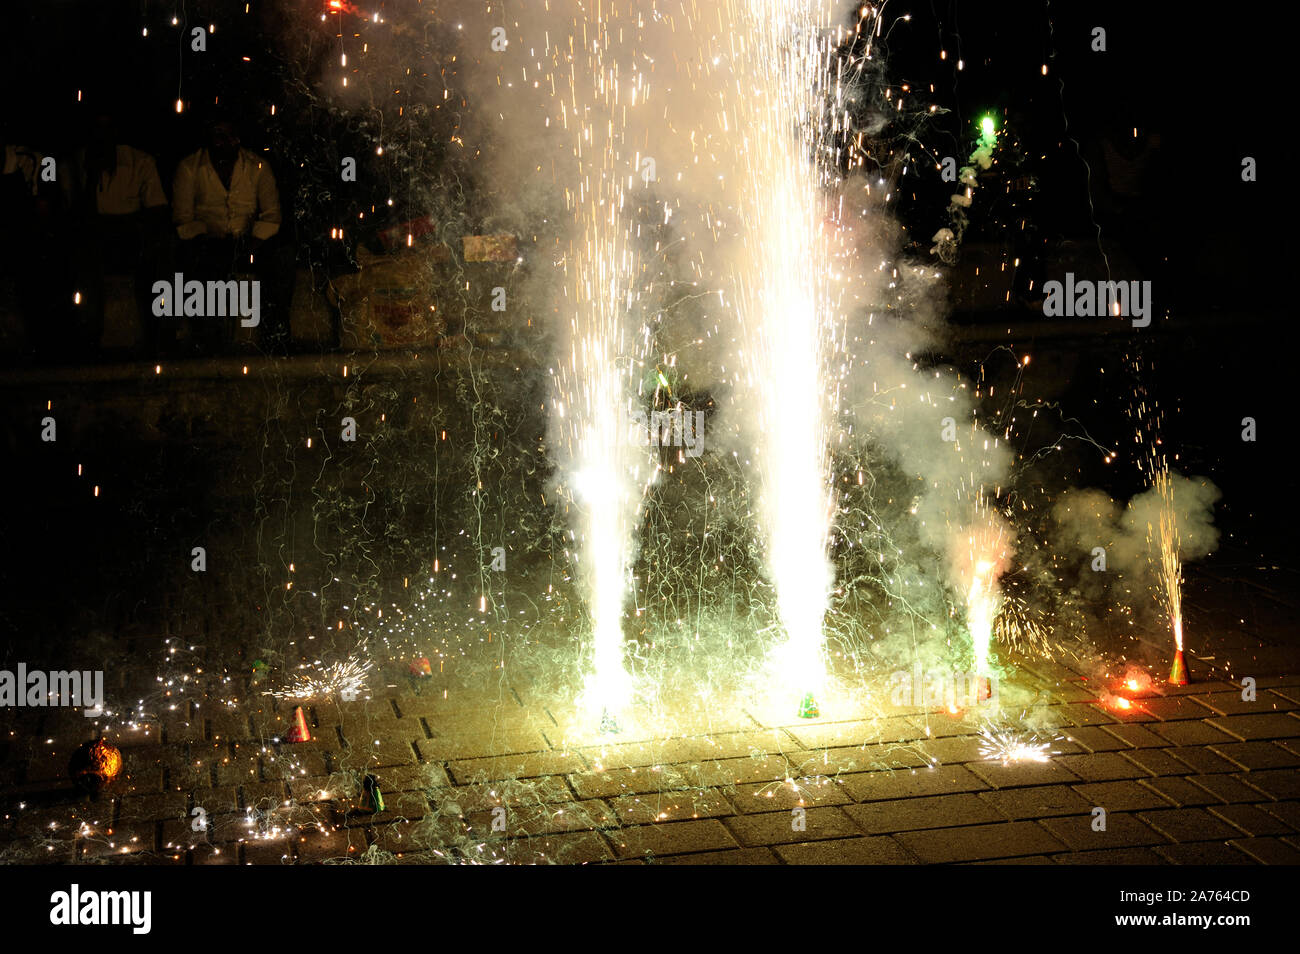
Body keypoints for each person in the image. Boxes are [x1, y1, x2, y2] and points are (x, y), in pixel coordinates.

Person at [172, 113, 292, 352]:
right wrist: (206, 239)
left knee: (282, 258)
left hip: (250, 241)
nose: (223, 142)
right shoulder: (189, 168)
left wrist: (252, 245)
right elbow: (183, 219)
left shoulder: (258, 167)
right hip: (207, 242)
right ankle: (205, 338)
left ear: (238, 138)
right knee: (197, 263)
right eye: (218, 136)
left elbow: (272, 215)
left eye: (229, 136)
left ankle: (275, 336)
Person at [68, 113, 171, 357]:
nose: (101, 139)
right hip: (94, 242)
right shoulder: (73, 165)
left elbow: (157, 212)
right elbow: (78, 219)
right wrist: (91, 177)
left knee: (159, 254)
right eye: (96, 131)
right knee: (82, 257)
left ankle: (156, 339)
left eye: (107, 130)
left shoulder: (140, 162)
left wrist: (121, 225)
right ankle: (88, 341)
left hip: (132, 239)